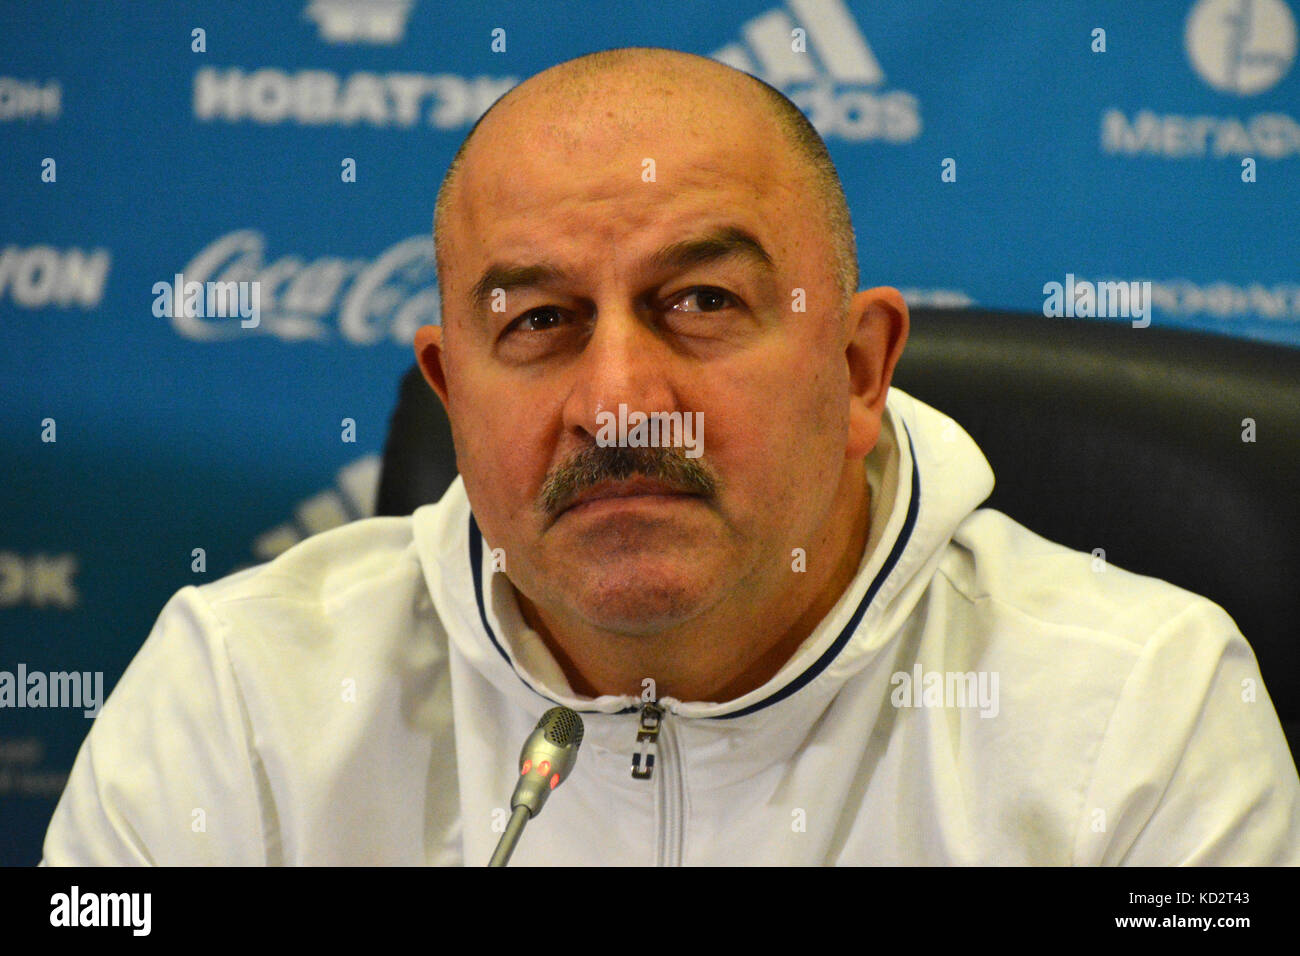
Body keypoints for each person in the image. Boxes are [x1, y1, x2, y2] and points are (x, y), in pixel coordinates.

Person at [42, 47, 1298, 865]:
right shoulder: (237, 694)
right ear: (449, 388)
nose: (619, 403)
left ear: (857, 369)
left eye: (698, 301)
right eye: (537, 321)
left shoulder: (1146, 711)